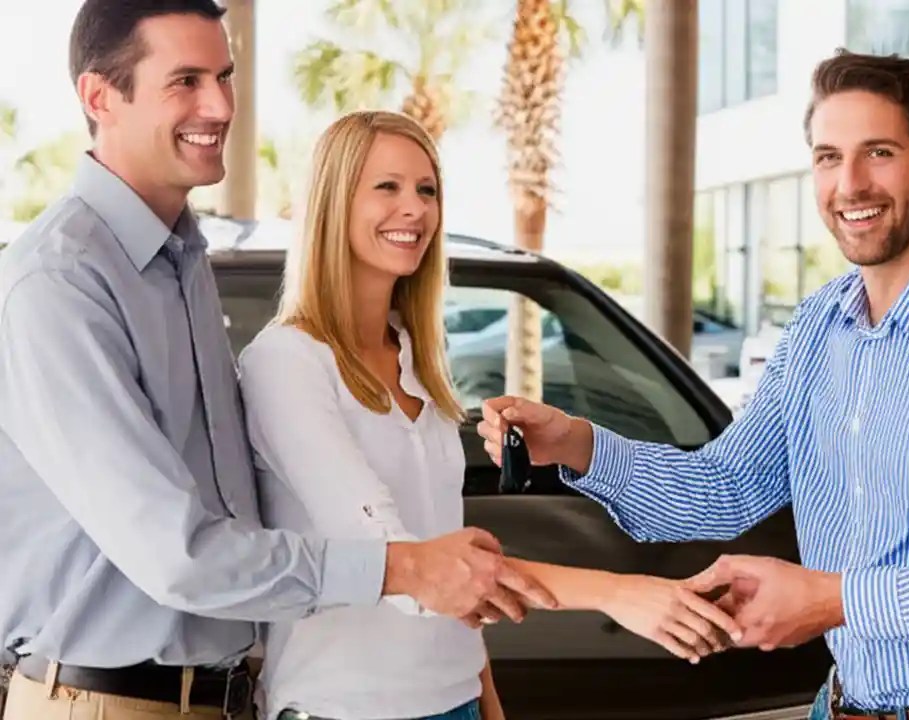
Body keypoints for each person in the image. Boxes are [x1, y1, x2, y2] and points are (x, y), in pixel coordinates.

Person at [0, 4, 552, 720]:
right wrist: (400, 566)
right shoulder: (61, 282)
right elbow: (179, 556)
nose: (221, 105)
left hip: (221, 697)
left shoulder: (181, 259)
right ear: (100, 97)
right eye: (186, 81)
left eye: (225, 77)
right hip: (102, 701)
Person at [480, 50, 909, 719]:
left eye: (878, 153)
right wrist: (579, 444)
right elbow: (725, 489)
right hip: (841, 704)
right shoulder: (818, 326)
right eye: (826, 157)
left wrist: (832, 598)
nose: (850, 185)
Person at [238, 110, 740, 720]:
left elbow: (453, 576)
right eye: (387, 187)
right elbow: (404, 564)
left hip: (457, 701)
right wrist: (618, 592)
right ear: (332, 202)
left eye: (427, 190)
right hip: (341, 707)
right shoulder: (286, 362)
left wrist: (487, 704)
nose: (416, 210)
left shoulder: (416, 356)